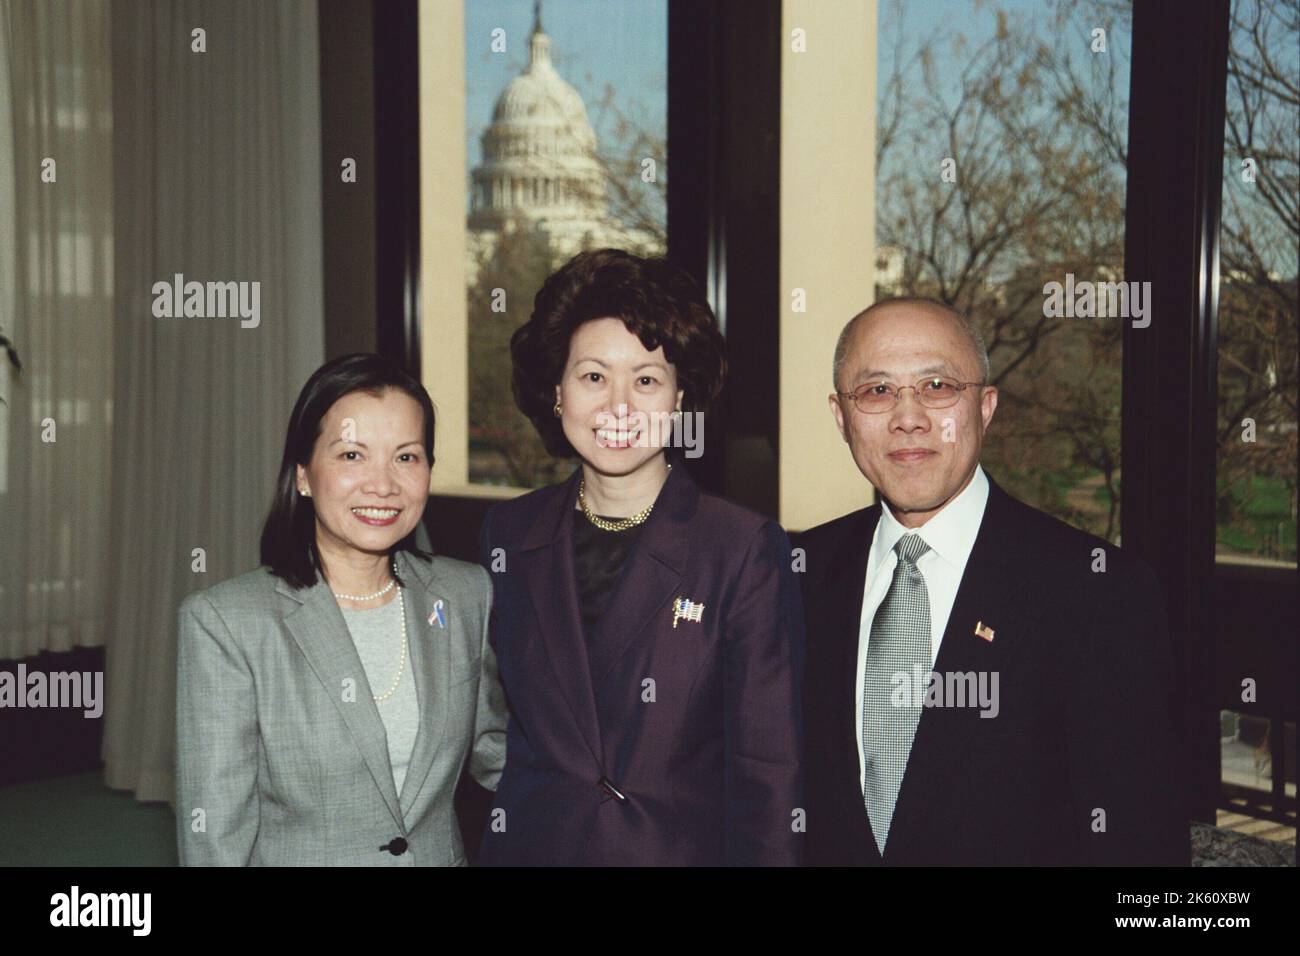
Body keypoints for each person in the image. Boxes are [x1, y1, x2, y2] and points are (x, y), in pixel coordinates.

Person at [796, 297, 1186, 865]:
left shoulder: (1097, 592)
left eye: (937, 385)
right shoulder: (793, 574)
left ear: (985, 407)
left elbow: (1141, 855)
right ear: (842, 417)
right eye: (877, 391)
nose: (909, 416)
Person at [476, 248, 804, 865]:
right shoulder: (508, 535)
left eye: (647, 380)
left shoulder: (741, 550)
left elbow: (769, 773)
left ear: (679, 400)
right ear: (557, 391)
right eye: (594, 376)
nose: (618, 406)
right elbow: (493, 730)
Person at [176, 353, 507, 865]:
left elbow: (500, 755)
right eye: (352, 455)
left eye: (406, 456)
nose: (383, 484)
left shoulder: (465, 596)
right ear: (304, 475)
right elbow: (216, 836)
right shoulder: (228, 624)